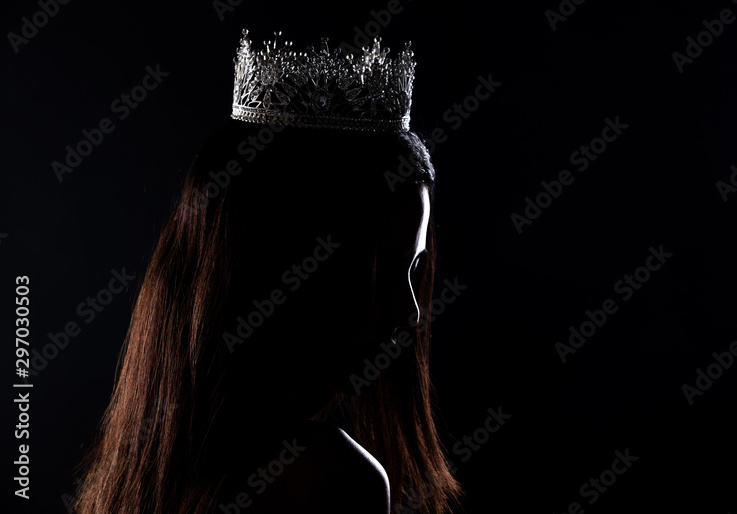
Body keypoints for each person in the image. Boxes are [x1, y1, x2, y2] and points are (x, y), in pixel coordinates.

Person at [73, 30, 461, 514]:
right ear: (291, 271)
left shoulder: (143, 466)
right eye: (375, 272)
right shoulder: (333, 479)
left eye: (413, 269)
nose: (411, 312)